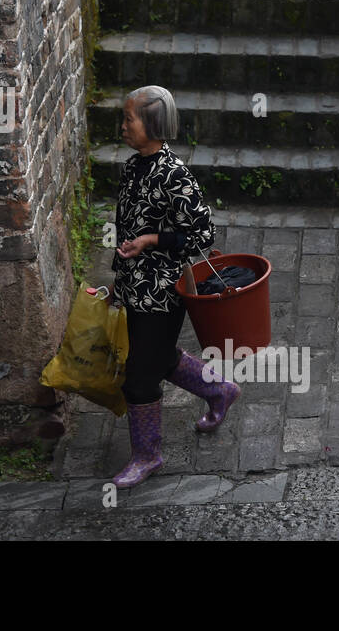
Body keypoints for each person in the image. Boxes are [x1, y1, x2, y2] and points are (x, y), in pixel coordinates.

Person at [86, 85, 240, 488]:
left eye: (129, 119)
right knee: (160, 358)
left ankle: (148, 456)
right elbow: (129, 227)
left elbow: (203, 235)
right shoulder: (136, 165)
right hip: (137, 287)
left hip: (163, 293)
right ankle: (220, 390)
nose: (122, 126)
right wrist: (120, 278)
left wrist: (153, 240)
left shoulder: (174, 175)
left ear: (153, 124)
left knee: (139, 377)